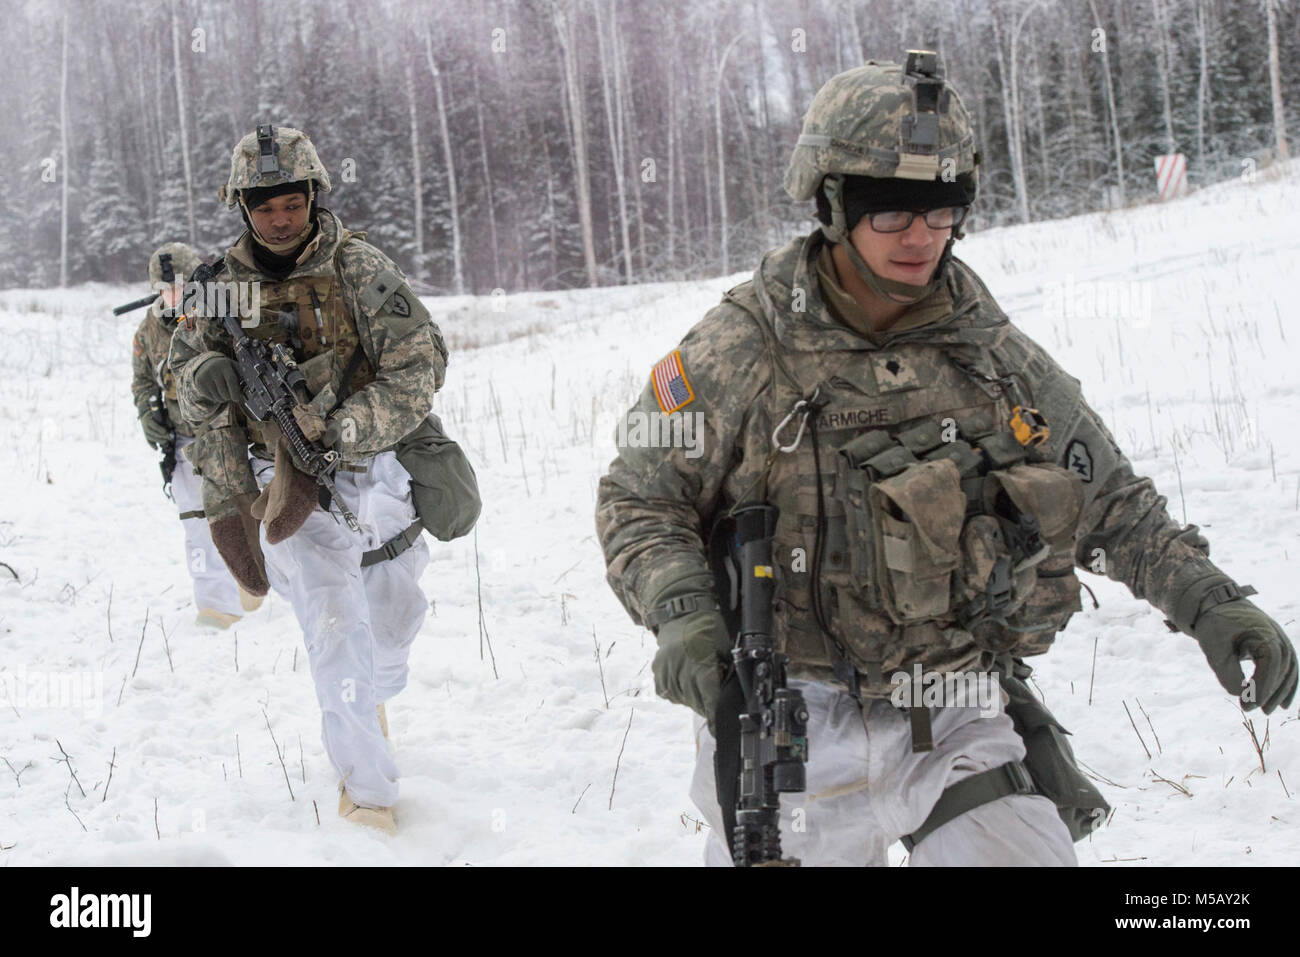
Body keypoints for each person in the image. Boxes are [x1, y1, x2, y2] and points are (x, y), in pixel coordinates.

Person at [595, 52, 1297, 866]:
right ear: (832, 206)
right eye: (891, 213)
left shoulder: (987, 350)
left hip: (950, 708)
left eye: (942, 211)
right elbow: (640, 496)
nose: (921, 238)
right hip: (792, 719)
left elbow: (1106, 497)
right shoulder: (746, 346)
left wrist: (1208, 601)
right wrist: (682, 611)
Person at [169, 125, 450, 835]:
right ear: (243, 209)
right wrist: (231, 483)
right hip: (283, 480)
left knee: (392, 622)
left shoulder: (358, 267)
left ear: (312, 196)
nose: (281, 218)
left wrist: (346, 428)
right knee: (334, 624)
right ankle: (370, 795)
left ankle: (375, 694)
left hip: (374, 466)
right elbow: (187, 387)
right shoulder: (220, 289)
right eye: (265, 208)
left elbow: (422, 365)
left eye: (291, 202)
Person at [131, 242, 260, 629]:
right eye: (164, 289)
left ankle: (252, 580)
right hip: (184, 443)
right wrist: (147, 411)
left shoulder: (221, 313)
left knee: (246, 514)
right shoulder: (149, 331)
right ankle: (216, 607)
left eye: (180, 286)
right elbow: (141, 380)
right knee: (196, 523)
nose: (172, 295)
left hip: (228, 435)